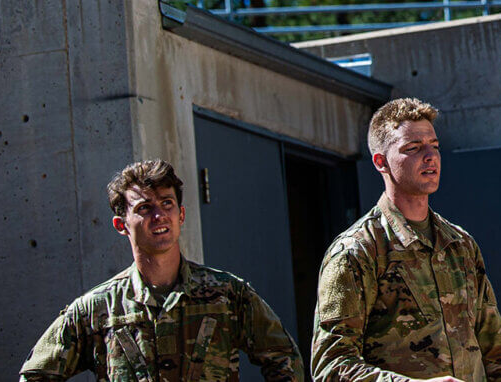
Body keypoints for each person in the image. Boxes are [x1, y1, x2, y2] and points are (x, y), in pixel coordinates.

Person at [20, 159, 302, 381]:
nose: (159, 215)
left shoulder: (227, 295)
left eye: (167, 203)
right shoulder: (97, 309)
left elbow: (283, 358)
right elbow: (36, 375)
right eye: (144, 208)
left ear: (180, 215)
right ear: (121, 225)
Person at [311, 97, 501, 382]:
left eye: (434, 146)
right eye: (412, 148)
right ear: (381, 162)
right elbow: (331, 366)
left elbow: (497, 356)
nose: (430, 156)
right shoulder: (356, 252)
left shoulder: (460, 244)